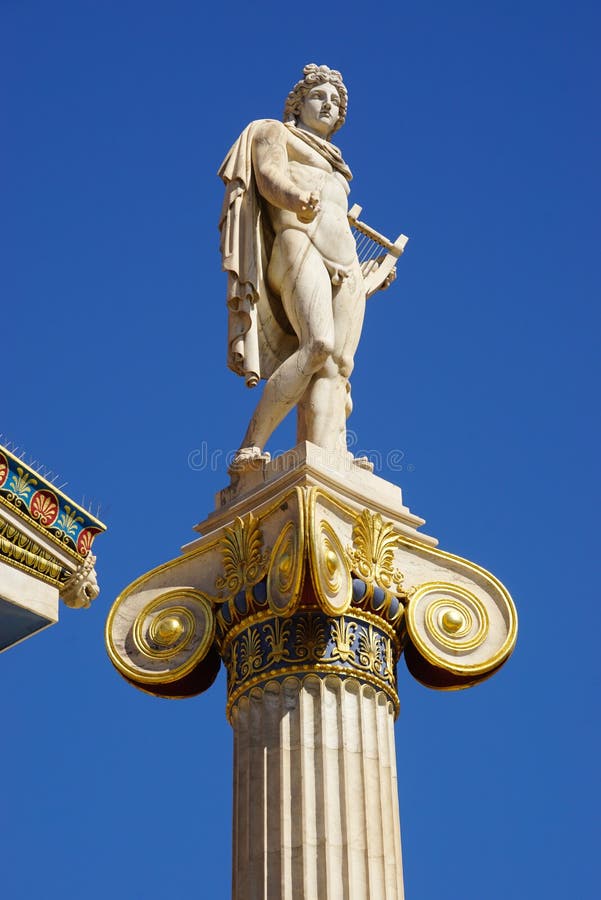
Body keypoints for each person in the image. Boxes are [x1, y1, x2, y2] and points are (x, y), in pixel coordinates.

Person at [219, 64, 373, 467]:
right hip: (297, 242)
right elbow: (268, 176)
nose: (329, 105)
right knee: (318, 344)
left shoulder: (340, 168)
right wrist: (294, 197)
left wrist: (368, 278)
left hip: (346, 264)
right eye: (319, 96)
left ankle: (329, 452)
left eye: (336, 101)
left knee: (338, 365)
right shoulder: (275, 131)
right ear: (298, 103)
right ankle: (250, 447)